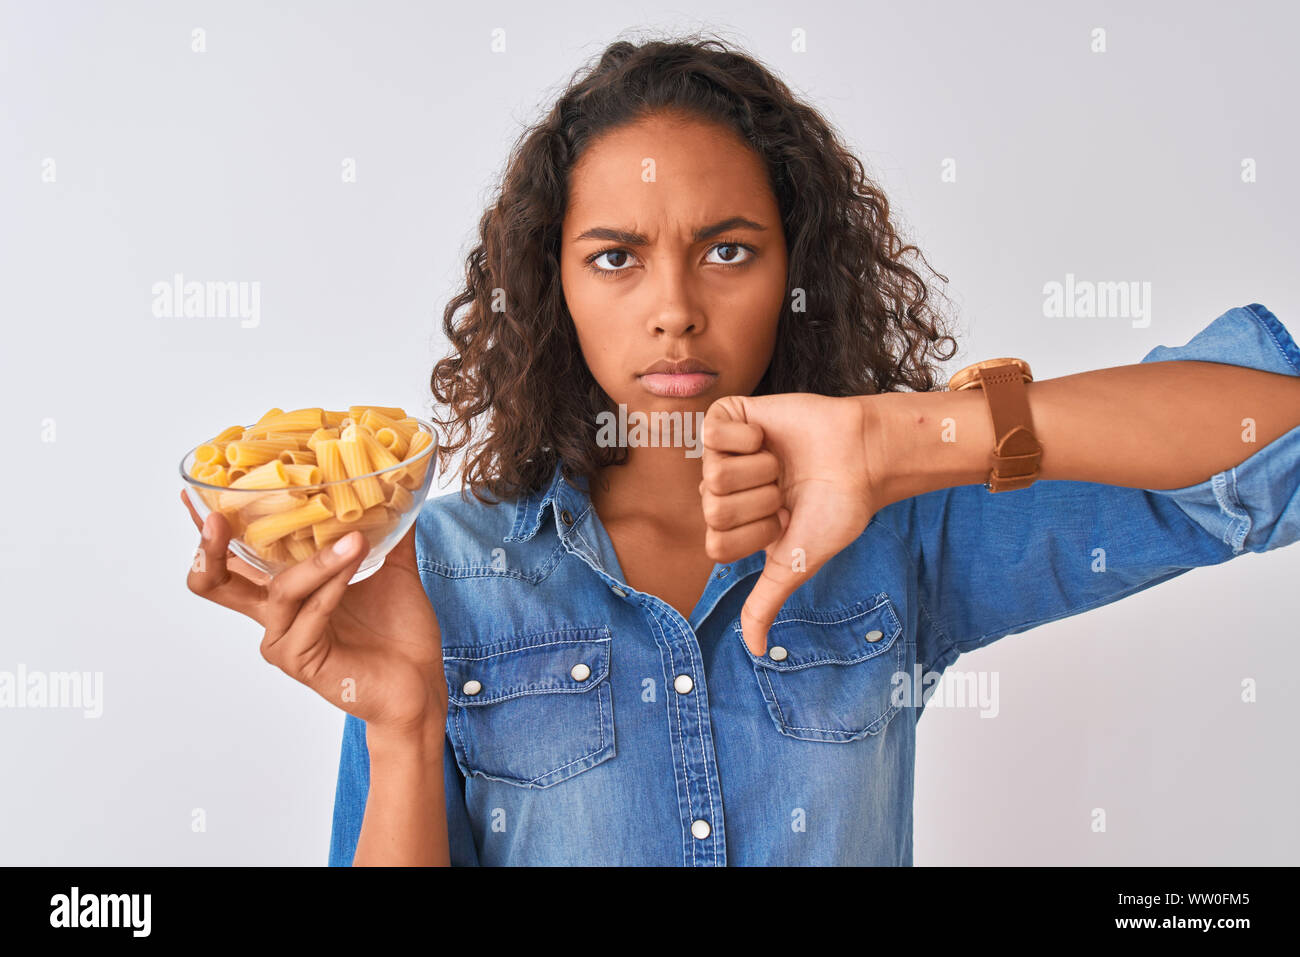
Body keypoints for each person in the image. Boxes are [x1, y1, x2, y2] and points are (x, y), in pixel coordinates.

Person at [183, 35, 1300, 866]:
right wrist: (403, 723)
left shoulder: (895, 526)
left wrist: (894, 434)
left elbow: (1266, 442)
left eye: (727, 249)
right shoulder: (445, 572)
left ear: (796, 265)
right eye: (616, 258)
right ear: (551, 285)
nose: (673, 309)